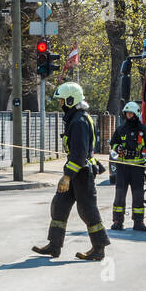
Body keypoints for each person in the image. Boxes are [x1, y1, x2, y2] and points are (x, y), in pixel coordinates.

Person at [32, 81, 110, 261]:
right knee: (59, 205)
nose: (59, 104)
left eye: (61, 100)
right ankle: (54, 245)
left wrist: (67, 176)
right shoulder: (75, 118)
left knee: (87, 210)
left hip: (81, 173)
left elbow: (79, 154)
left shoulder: (79, 121)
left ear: (70, 100)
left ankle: (99, 248)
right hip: (76, 172)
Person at [110, 101, 146, 231]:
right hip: (122, 167)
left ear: (136, 114)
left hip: (137, 168)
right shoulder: (121, 129)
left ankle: (138, 222)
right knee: (120, 195)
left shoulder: (143, 130)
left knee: (138, 196)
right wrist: (118, 148)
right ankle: (117, 221)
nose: (128, 115)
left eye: (131, 113)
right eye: (127, 113)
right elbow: (113, 143)